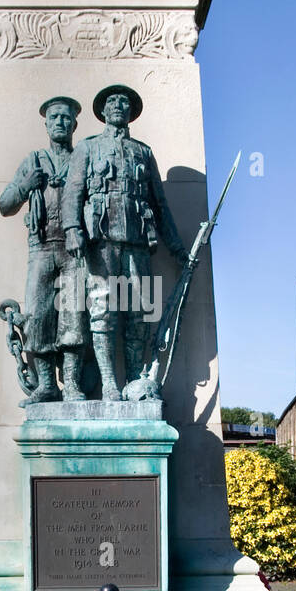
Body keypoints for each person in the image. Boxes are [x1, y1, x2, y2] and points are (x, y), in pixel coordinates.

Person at [61, 85, 188, 400]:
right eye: (112, 101)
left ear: (131, 112)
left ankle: (133, 381)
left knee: (139, 312)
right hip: (100, 242)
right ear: (103, 111)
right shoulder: (88, 149)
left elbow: (160, 204)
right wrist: (73, 228)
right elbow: (73, 193)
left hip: (137, 243)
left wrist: (176, 247)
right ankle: (108, 383)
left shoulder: (142, 152)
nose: (118, 105)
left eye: (124, 101)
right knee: (102, 310)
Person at [0, 97, 88, 403]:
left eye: (66, 118)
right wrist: (26, 184)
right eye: (54, 118)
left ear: (74, 124)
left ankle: (73, 385)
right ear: (46, 124)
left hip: (75, 251)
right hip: (40, 248)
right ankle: (47, 385)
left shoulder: (82, 158)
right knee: (38, 317)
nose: (60, 122)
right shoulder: (33, 160)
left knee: (74, 317)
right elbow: (4, 205)